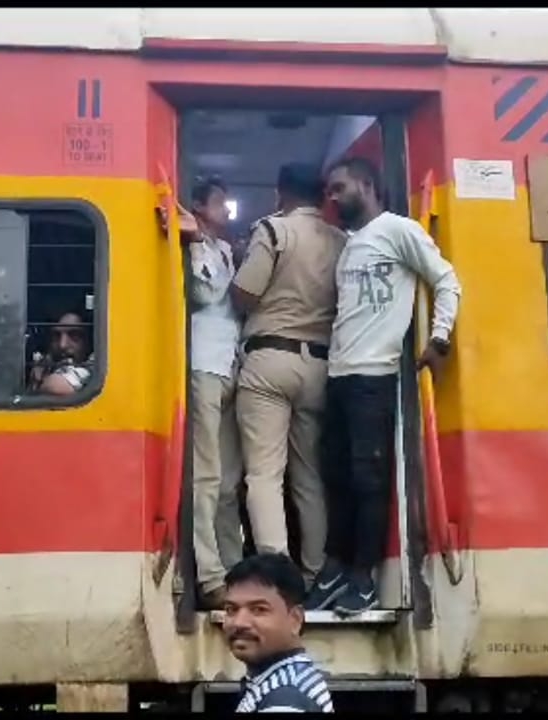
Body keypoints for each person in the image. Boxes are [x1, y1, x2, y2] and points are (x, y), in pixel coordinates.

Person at [306, 157, 461, 616]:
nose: (332, 199)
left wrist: (439, 338)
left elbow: (447, 280)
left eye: (339, 188)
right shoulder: (352, 244)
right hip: (339, 373)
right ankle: (336, 569)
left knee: (368, 479)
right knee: (335, 477)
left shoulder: (399, 230)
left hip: (375, 373)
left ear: (367, 184)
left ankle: (363, 579)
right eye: (328, 192)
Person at [230, 163, 346, 588]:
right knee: (309, 477)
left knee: (264, 474)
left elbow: (246, 293)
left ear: (281, 193)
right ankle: (317, 576)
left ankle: (276, 578)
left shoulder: (274, 230)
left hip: (270, 360)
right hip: (321, 363)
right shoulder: (341, 241)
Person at [183, 175, 245, 610]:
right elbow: (204, 293)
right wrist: (197, 244)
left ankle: (235, 569)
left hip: (230, 365)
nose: (226, 210)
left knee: (228, 481)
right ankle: (210, 577)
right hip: (203, 364)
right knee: (205, 476)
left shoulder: (225, 250)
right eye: (220, 202)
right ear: (200, 207)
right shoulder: (193, 248)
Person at [224, 553, 335, 713]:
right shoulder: (286, 681)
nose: (239, 622)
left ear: (295, 619)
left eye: (258, 609)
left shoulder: (286, 698)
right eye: (231, 609)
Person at [27, 308, 93, 397]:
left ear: (88, 342)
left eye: (74, 335)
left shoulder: (95, 369)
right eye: (56, 336)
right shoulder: (44, 365)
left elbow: (55, 386)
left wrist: (41, 384)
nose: (62, 345)